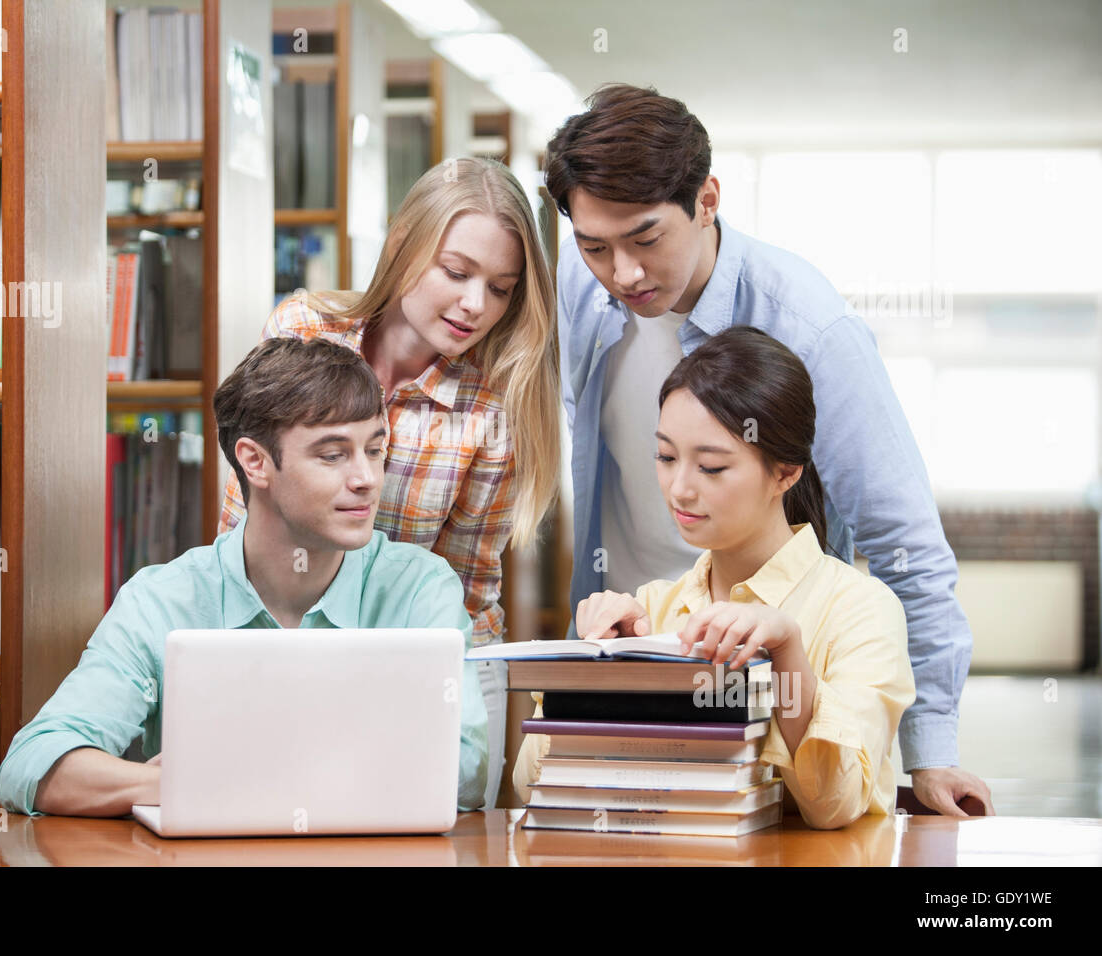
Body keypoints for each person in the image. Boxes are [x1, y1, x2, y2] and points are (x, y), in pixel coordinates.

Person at [545, 83, 992, 816]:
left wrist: (930, 751)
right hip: (640, 640)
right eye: (596, 246)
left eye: (647, 239)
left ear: (708, 199)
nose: (622, 273)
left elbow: (903, 537)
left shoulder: (808, 326)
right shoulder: (580, 280)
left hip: (771, 674)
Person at [0, 337, 488, 817]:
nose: (366, 478)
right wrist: (167, 783)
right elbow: (31, 765)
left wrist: (229, 779)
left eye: (375, 450)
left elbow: (464, 772)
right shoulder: (163, 600)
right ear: (255, 461)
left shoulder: (420, 591)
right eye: (333, 455)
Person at [216, 157, 562, 808]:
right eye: (457, 272)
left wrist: (472, 744)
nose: (474, 304)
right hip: (279, 645)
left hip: (417, 664)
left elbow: (464, 592)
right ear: (403, 245)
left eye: (501, 288)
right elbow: (243, 521)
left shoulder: (491, 410)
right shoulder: (302, 327)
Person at [514, 328, 916, 829]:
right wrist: (596, 676)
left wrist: (789, 650)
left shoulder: (861, 609)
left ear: (785, 472)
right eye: (665, 458)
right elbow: (530, 781)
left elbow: (833, 804)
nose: (679, 489)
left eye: (710, 467)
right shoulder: (651, 612)